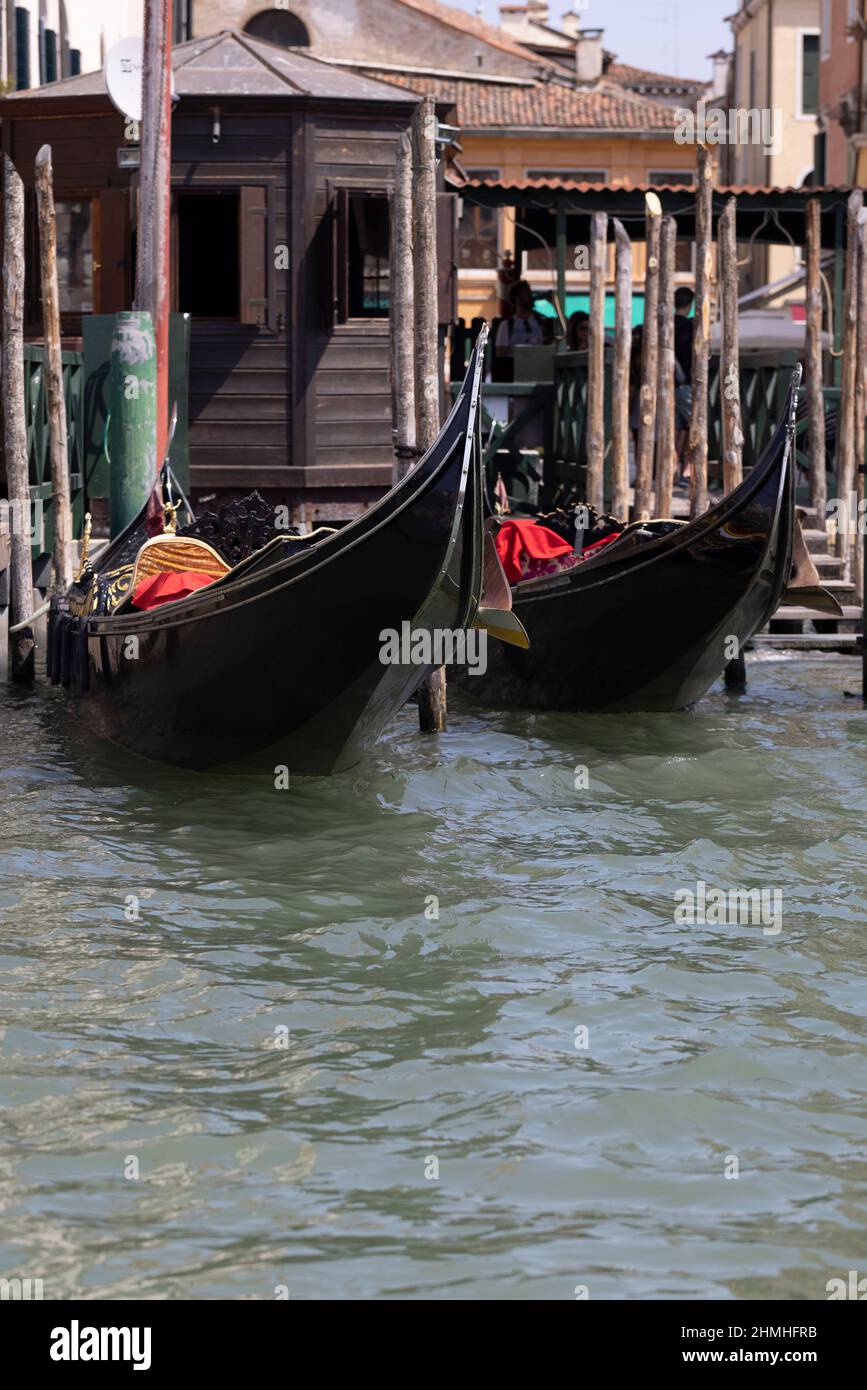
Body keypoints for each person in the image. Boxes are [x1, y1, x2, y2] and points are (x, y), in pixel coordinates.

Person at [495, 279, 544, 375]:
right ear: (516, 297)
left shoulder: (540, 322)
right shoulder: (506, 325)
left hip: (538, 372)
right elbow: (501, 355)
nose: (530, 296)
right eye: (526, 293)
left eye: (530, 292)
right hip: (514, 374)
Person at [673, 286, 694, 486]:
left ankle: (673, 472)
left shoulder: (667, 324)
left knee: (677, 430)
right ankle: (688, 471)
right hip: (686, 383)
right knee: (696, 425)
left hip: (669, 384)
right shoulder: (690, 326)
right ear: (689, 305)